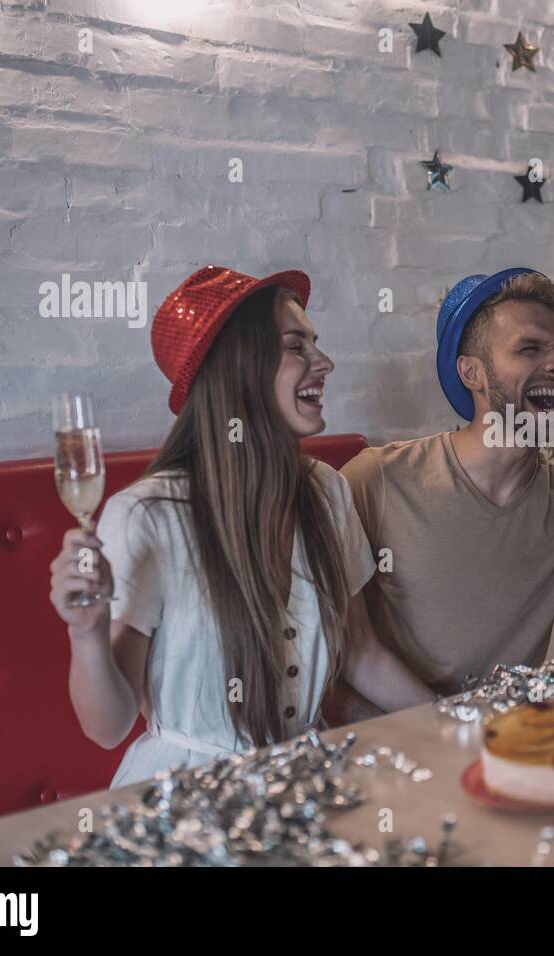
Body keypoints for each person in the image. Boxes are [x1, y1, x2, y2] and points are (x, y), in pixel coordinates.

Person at [49, 266, 434, 787]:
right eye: (296, 346)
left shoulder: (325, 489)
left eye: (314, 344)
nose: (325, 362)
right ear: (238, 367)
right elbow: (107, 728)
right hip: (187, 796)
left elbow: (361, 651)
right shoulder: (147, 514)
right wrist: (87, 631)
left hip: (300, 783)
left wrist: (458, 724)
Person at [334, 268, 554, 709]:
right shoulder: (375, 481)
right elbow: (345, 652)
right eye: (530, 348)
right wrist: (457, 730)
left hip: (505, 747)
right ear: (472, 374)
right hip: (387, 750)